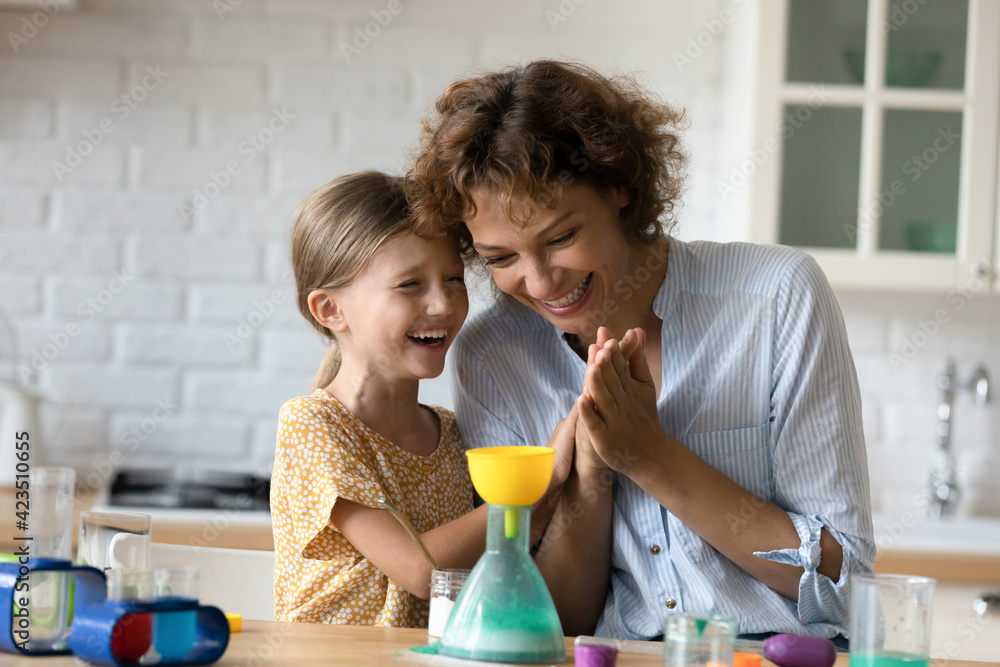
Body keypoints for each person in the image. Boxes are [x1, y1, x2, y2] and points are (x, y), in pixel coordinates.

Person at [405, 60, 875, 643]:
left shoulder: (775, 297)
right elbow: (552, 623)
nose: (542, 282)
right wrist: (592, 478)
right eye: (501, 258)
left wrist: (647, 455)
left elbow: (846, 580)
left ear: (619, 185)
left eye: (561, 238)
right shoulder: (494, 357)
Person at [270, 171, 572, 627]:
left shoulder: (451, 432)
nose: (443, 304)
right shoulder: (313, 424)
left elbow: (504, 551)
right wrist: (540, 482)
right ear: (330, 310)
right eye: (410, 284)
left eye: (453, 278)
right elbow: (420, 569)